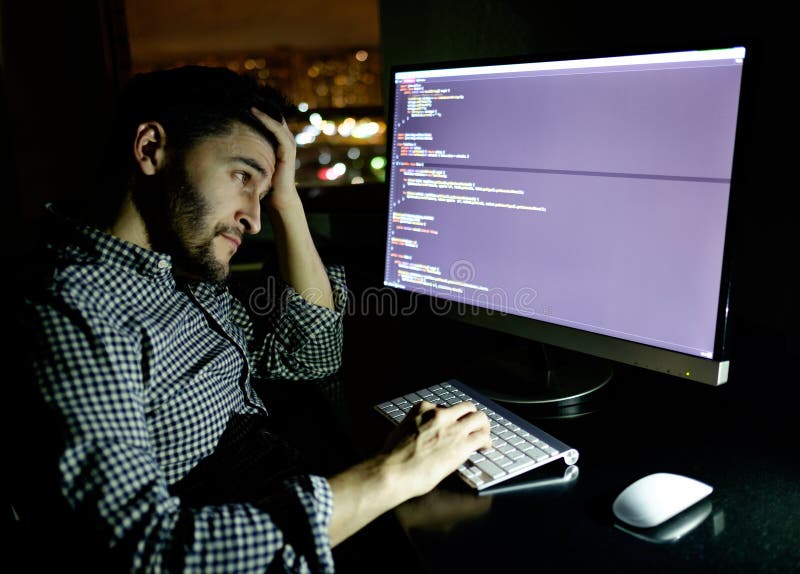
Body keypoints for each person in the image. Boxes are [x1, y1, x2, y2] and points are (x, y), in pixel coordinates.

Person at [13, 66, 491, 573]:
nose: (255, 219)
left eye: (263, 196)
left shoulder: (182, 275)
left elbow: (312, 356)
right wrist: (391, 475)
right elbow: (146, 549)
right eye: (242, 176)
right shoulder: (72, 310)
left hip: (282, 492)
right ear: (151, 148)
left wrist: (287, 200)